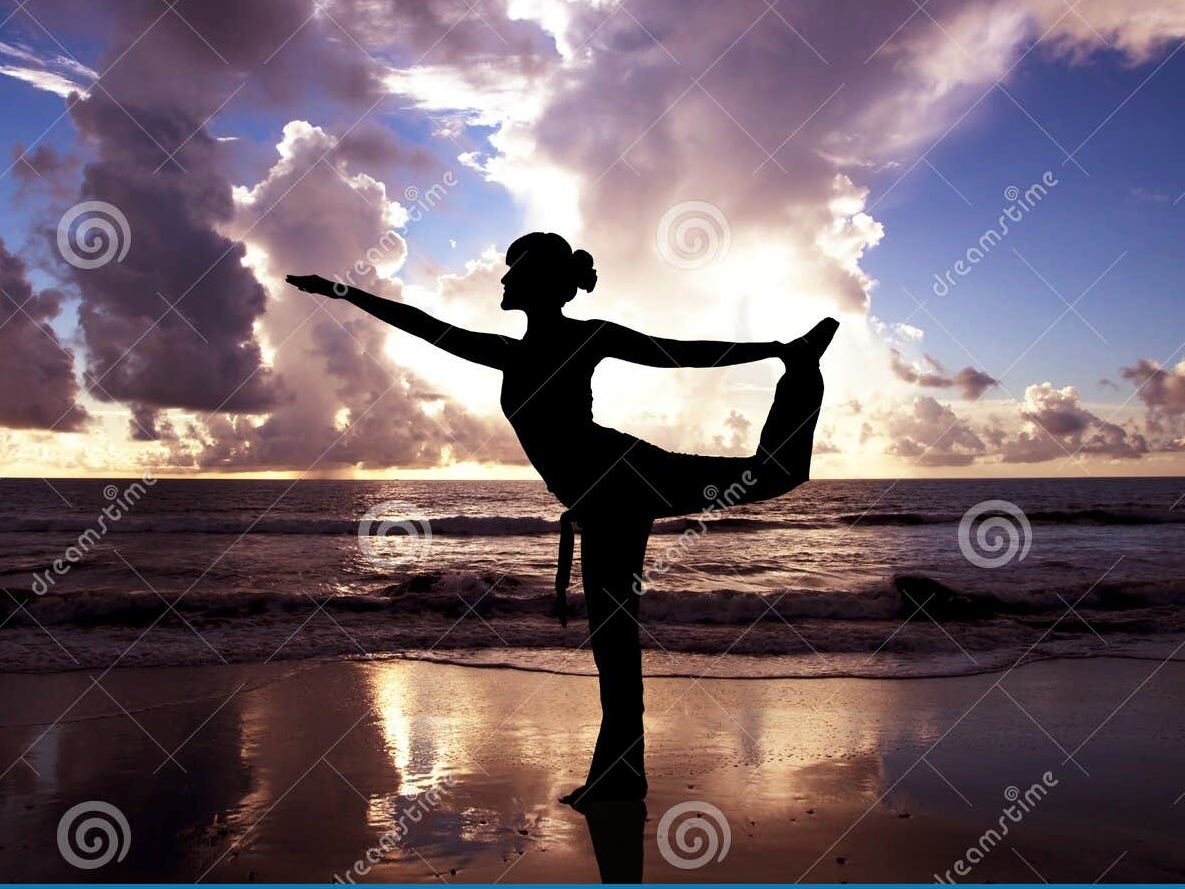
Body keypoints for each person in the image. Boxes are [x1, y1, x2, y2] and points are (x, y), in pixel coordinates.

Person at [286, 232, 835, 807]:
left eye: (513, 272)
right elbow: (421, 323)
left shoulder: (588, 337)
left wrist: (773, 348)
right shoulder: (510, 352)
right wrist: (342, 292)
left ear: (541, 283)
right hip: (609, 493)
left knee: (618, 634)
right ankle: (621, 778)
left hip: (621, 482)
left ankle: (800, 367)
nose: (502, 282)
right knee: (614, 636)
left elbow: (680, 352)